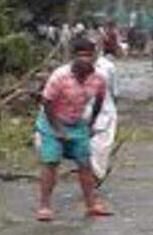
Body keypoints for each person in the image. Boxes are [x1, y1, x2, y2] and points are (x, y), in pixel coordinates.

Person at [35, 37, 112, 221]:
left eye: (88, 55)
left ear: (94, 57)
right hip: (52, 121)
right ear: (74, 57)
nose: (85, 59)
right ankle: (44, 206)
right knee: (51, 162)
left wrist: (92, 124)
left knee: (85, 164)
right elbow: (46, 102)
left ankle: (91, 204)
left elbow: (100, 101)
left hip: (77, 123)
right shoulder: (60, 76)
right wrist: (57, 130)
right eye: (81, 55)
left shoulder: (99, 78)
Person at [91, 43, 120, 180]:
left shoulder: (107, 67)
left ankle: (97, 174)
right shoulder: (72, 69)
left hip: (105, 112)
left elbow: (114, 91)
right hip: (82, 112)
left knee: (102, 145)